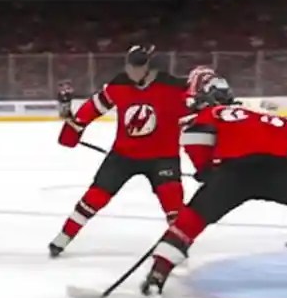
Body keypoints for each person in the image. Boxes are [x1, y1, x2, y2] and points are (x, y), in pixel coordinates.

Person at [139, 75, 287, 298]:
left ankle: (158, 274)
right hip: (278, 169)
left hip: (236, 173)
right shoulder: (265, 116)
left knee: (190, 219)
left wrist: (206, 172)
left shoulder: (209, 114)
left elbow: (198, 148)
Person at [48, 45, 189, 257]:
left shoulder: (174, 87)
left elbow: (201, 111)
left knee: (173, 201)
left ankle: (176, 247)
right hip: (124, 155)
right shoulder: (119, 84)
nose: (132, 72)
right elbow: (93, 108)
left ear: (149, 67)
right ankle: (64, 236)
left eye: (138, 67)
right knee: (94, 196)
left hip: (163, 157)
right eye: (130, 66)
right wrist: (75, 127)